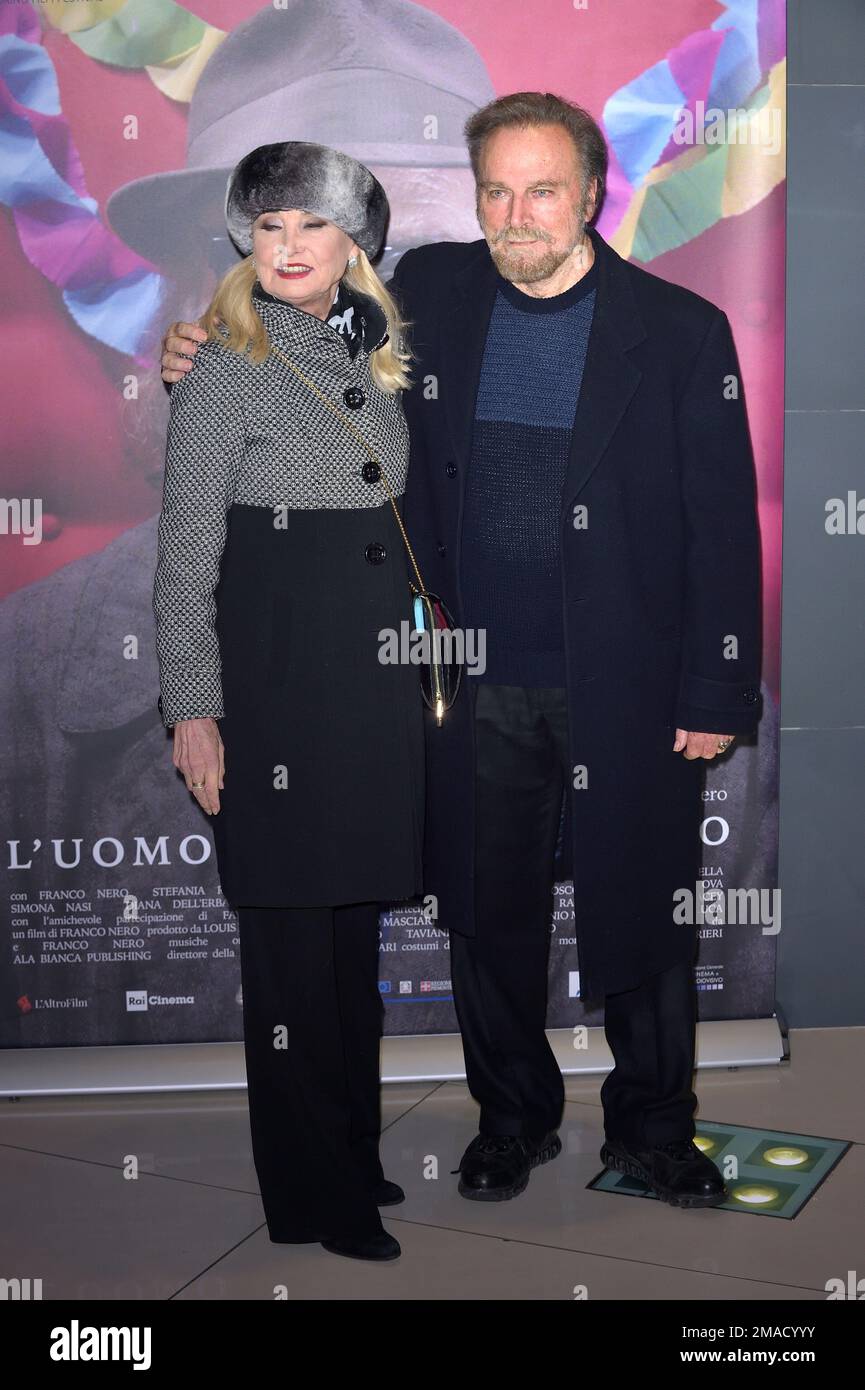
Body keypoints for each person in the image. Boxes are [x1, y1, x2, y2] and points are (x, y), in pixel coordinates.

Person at [160, 93, 765, 1212]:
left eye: (541, 189)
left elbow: (721, 524)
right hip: (469, 677)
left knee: (645, 918)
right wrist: (201, 333)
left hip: (627, 684)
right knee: (490, 920)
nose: (516, 213)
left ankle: (651, 1130)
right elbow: (290, 329)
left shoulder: (680, 333)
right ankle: (512, 1121)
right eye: (496, 189)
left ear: (590, 194)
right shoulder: (430, 296)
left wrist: (717, 683)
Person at [153, 139, 426, 1261]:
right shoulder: (225, 364)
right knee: (289, 958)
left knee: (346, 946)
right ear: (245, 243)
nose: (289, 247)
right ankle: (313, 1195)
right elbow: (183, 562)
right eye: (269, 228)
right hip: (273, 703)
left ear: (351, 246)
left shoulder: (375, 351)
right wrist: (194, 710)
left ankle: (353, 1152)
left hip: (366, 698)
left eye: (311, 226)